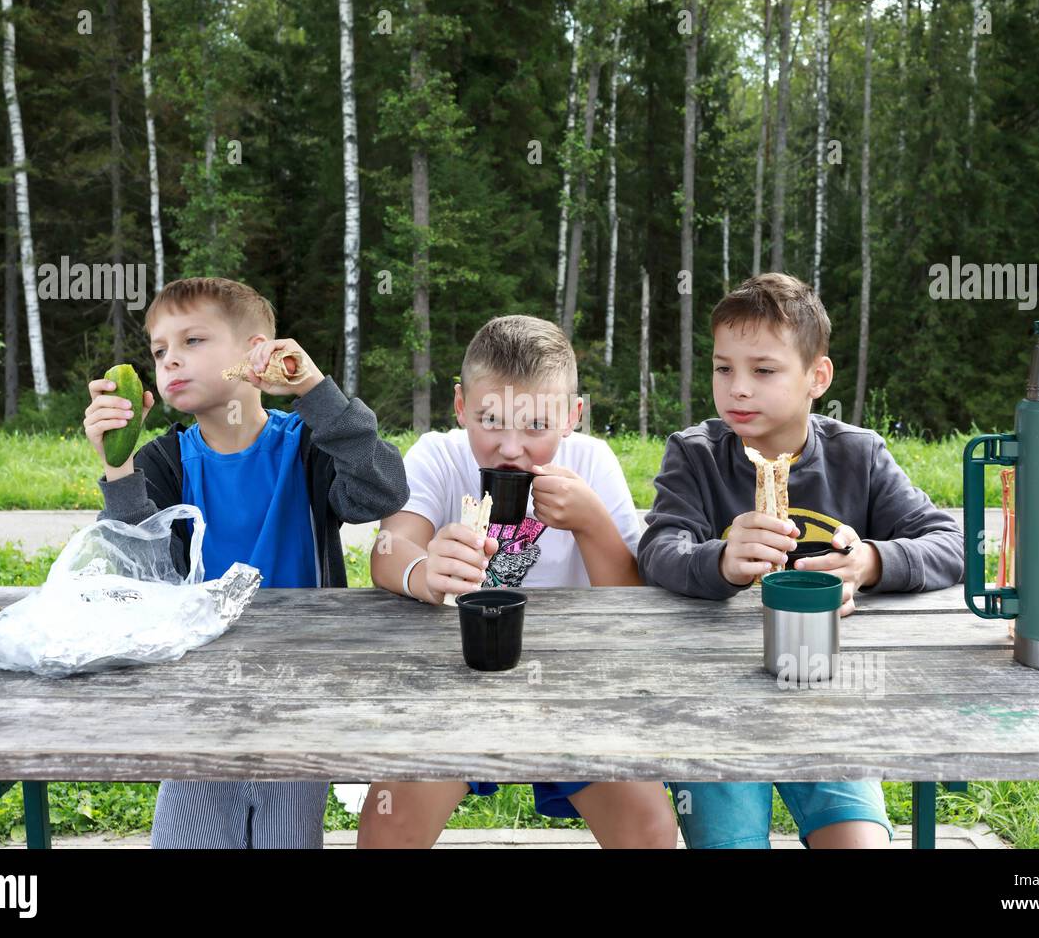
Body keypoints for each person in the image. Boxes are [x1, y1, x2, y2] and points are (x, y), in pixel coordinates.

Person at [637, 272, 964, 849]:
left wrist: (870, 562)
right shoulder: (695, 456)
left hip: (832, 697)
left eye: (763, 370)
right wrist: (720, 562)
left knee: (860, 842)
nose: (738, 388)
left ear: (817, 377)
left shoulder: (856, 456)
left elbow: (947, 541)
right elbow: (659, 550)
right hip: (714, 704)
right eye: (723, 368)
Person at [83, 276, 409, 848]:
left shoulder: (308, 447)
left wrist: (316, 393)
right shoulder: (162, 461)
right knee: (188, 834)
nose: (170, 360)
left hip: (298, 686)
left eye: (193, 341)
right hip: (196, 690)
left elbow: (381, 491)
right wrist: (118, 464)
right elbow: (139, 573)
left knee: (286, 833)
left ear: (256, 350)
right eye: (160, 351)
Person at [359, 314, 677, 849]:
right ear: (461, 407)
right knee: (387, 823)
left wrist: (591, 523)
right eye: (490, 420)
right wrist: (423, 570)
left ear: (572, 416)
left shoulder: (591, 463)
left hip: (577, 686)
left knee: (648, 827)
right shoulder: (438, 456)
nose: (510, 448)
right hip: (453, 681)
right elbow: (387, 550)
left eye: (535, 426)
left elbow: (630, 598)